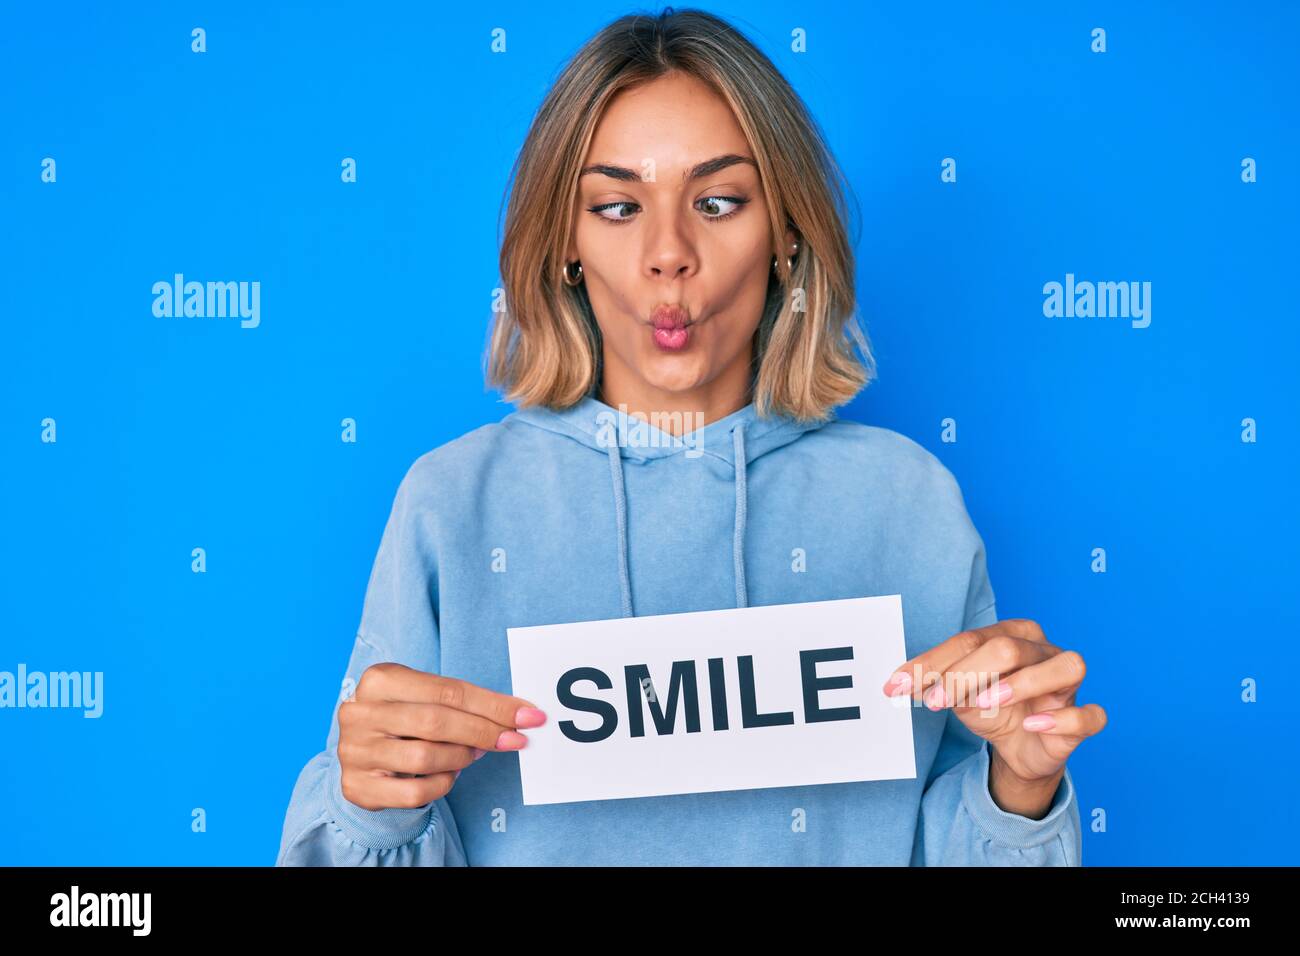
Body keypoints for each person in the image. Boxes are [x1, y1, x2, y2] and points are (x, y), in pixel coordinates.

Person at [275, 7, 1105, 866]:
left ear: (785, 231)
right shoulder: (451, 506)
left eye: (717, 201)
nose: (668, 253)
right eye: (618, 205)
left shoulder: (910, 503)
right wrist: (367, 806)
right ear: (566, 243)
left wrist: (1022, 784)